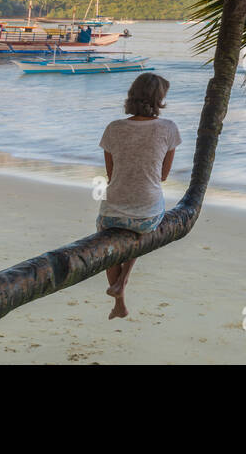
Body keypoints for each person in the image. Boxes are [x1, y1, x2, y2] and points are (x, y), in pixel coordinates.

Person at [97, 72, 182, 320]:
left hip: (112, 212)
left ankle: (119, 300)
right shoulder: (168, 128)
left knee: (108, 244)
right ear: (159, 99)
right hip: (146, 215)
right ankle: (123, 281)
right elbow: (163, 176)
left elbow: (111, 175)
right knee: (143, 231)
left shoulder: (114, 128)